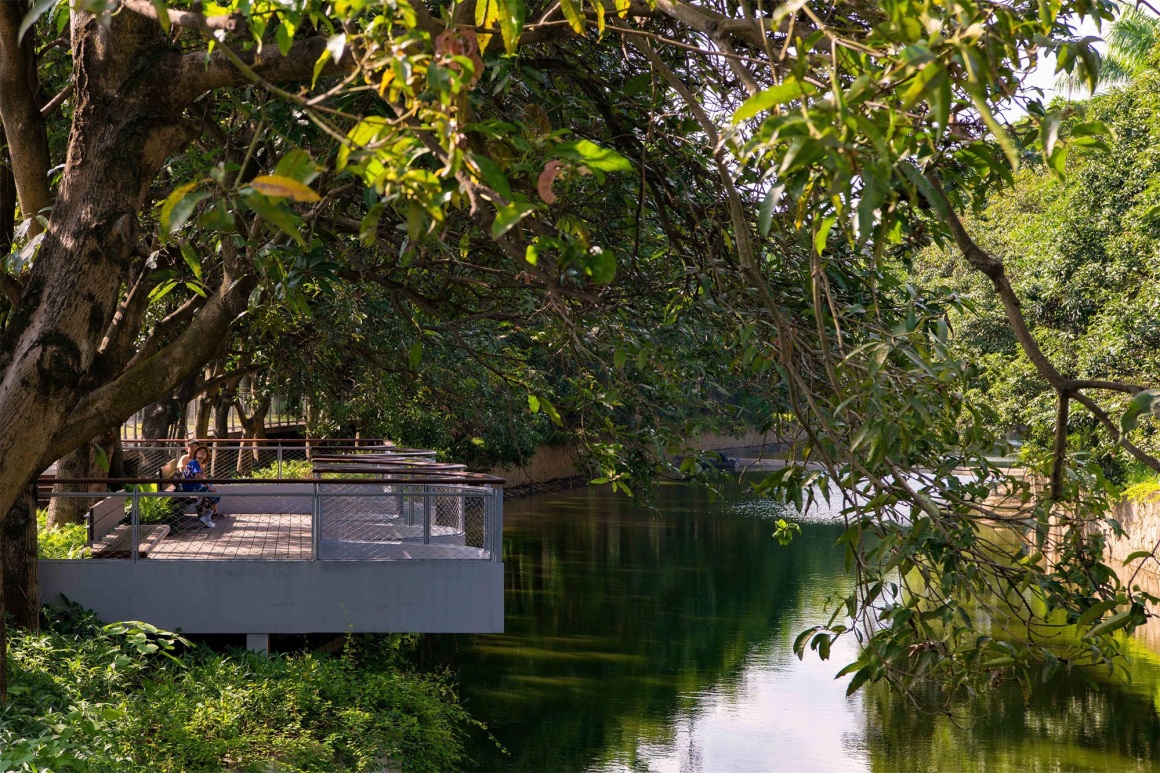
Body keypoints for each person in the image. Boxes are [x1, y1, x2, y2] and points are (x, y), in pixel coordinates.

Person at [181, 446, 220, 528]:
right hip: (191, 487)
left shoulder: (199, 465)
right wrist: (209, 487)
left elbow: (201, 477)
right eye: (200, 451)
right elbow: (197, 476)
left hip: (194, 486)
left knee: (214, 494)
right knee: (215, 494)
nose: (202, 452)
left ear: (206, 457)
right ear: (195, 454)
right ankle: (205, 517)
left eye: (204, 452)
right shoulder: (194, 463)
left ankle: (203, 510)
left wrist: (210, 486)